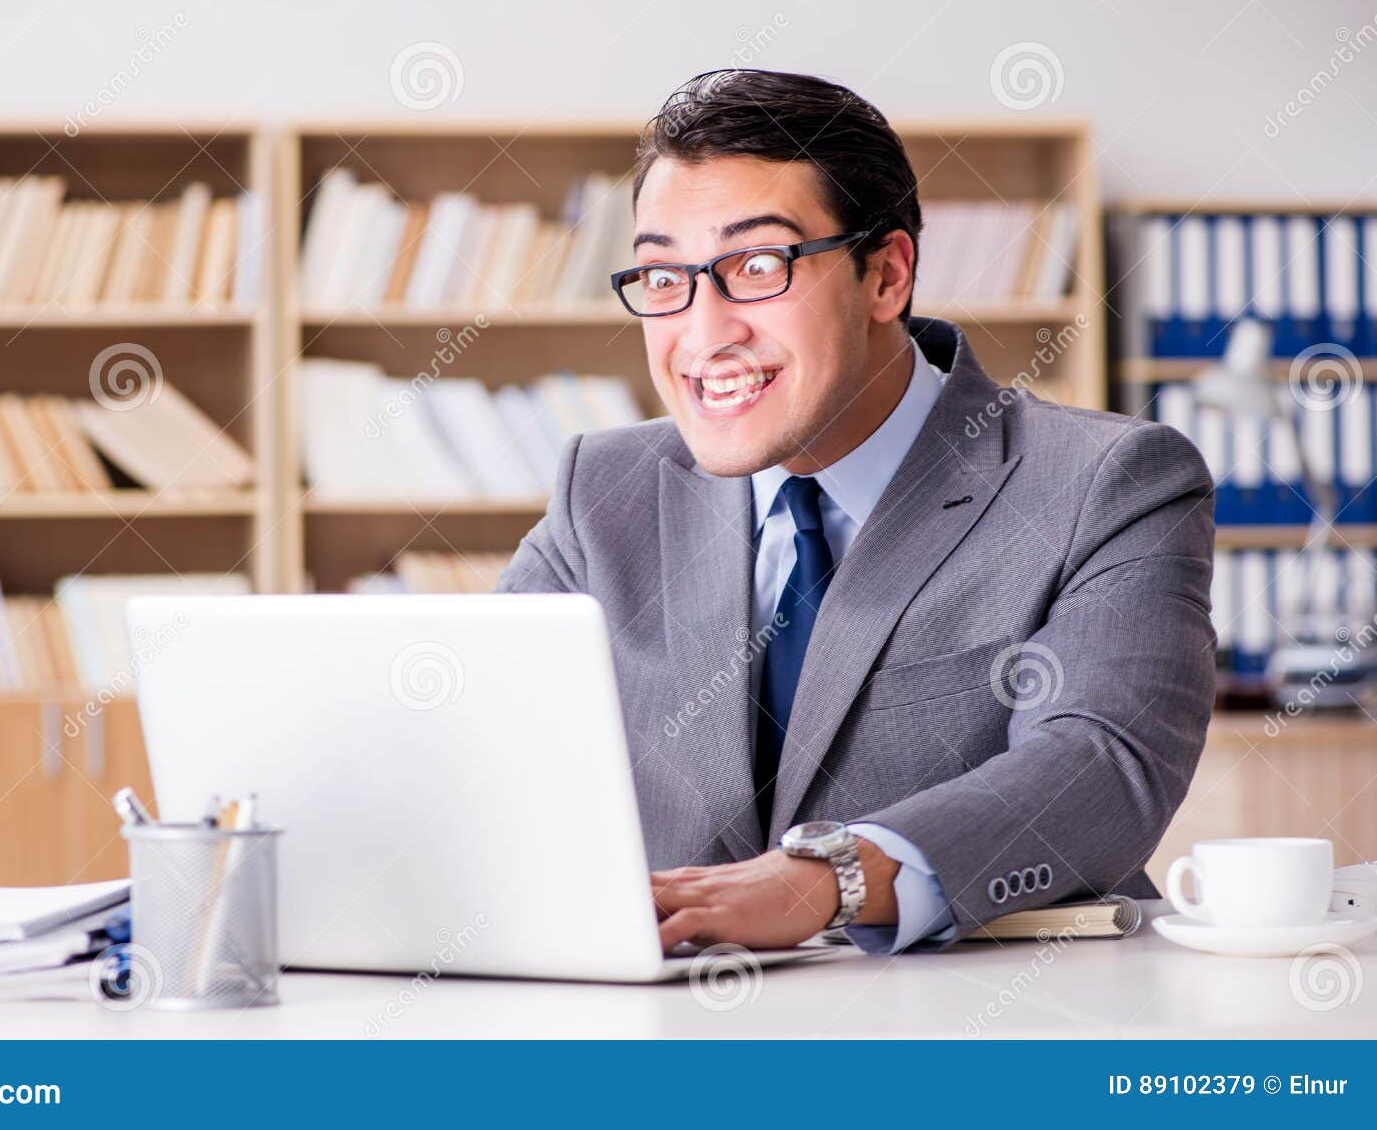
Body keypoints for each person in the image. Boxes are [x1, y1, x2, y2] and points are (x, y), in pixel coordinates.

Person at [497, 69, 1215, 953]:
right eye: (660, 275)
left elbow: (1101, 768)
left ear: (887, 275)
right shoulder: (601, 489)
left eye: (757, 266)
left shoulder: (1108, 481)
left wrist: (820, 884)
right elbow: (473, 744)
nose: (703, 331)